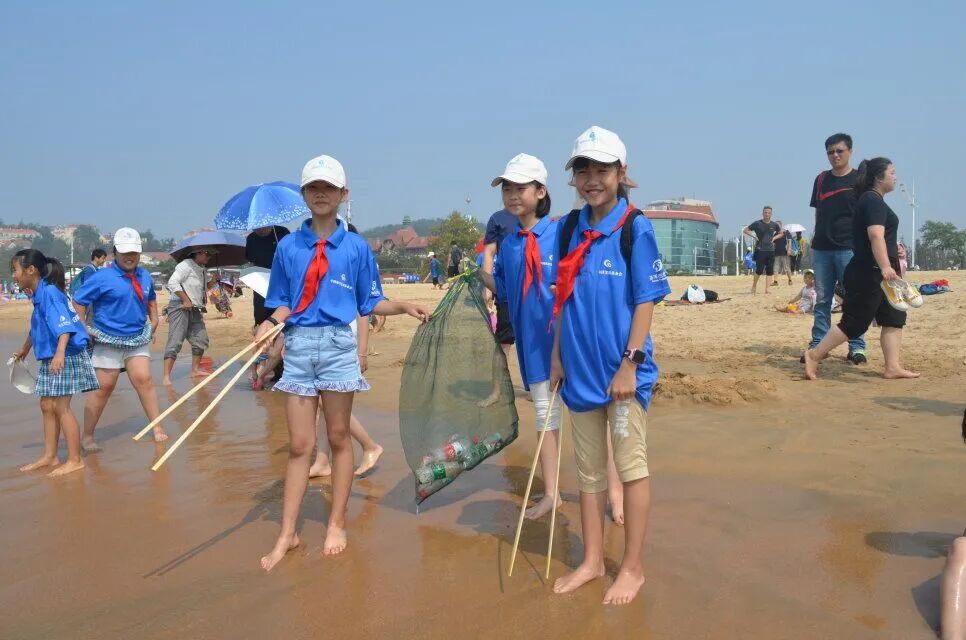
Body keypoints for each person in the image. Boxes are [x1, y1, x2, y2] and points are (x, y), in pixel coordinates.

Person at [254, 154, 428, 571]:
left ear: (342, 195)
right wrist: (268, 324)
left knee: (337, 438)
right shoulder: (288, 247)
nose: (320, 193)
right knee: (299, 446)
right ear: (304, 194)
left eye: (328, 188)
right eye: (313, 187)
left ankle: (336, 523)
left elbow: (369, 301)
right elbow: (280, 301)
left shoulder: (355, 248)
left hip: (337, 346)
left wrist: (403, 304)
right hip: (297, 347)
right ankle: (288, 533)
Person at [550, 126, 671, 606]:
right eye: (584, 170)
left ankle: (633, 568)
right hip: (578, 373)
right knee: (589, 474)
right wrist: (558, 355)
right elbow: (563, 297)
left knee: (631, 466)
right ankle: (593, 560)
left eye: (602, 170)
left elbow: (646, 300)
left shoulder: (635, 227)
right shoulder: (567, 228)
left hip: (624, 376)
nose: (592, 179)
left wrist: (630, 364)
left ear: (622, 174)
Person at [478, 153, 562, 520]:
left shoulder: (562, 233)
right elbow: (508, 289)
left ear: (541, 191)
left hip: (568, 342)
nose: (512, 195)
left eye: (520, 187)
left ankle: (616, 495)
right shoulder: (510, 244)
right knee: (545, 417)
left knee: (596, 416)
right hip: (533, 347)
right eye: (507, 189)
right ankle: (553, 493)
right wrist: (476, 278)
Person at [804, 158, 920, 380]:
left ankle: (892, 367)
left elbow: (880, 237)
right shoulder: (872, 200)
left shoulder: (874, 200)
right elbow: (875, 235)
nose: (895, 177)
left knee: (894, 318)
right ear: (878, 177)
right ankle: (814, 354)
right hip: (870, 272)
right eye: (892, 172)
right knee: (855, 323)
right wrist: (886, 266)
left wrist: (893, 253)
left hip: (884, 271)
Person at [72, 228, 168, 450]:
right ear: (114, 252)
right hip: (107, 339)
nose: (129, 256)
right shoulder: (101, 277)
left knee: (144, 380)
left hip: (137, 337)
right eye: (124, 252)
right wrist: (82, 326)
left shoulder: (144, 275)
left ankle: (157, 427)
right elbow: (79, 301)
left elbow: (151, 299)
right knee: (104, 387)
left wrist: (154, 321)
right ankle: (87, 436)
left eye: (134, 252)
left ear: (139, 253)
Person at [10, 250, 97, 476]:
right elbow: (37, 326)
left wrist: (59, 354)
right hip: (53, 355)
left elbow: (65, 326)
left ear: (31, 270)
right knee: (46, 405)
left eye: (15, 270)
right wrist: (25, 348)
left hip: (66, 354)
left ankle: (75, 459)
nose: (14, 276)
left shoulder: (49, 293)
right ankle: (50, 456)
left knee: (61, 407)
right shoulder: (38, 294)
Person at [808, 133, 867, 365]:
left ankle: (857, 347)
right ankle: (818, 346)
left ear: (850, 151)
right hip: (821, 249)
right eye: (831, 152)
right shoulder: (821, 180)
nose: (835, 155)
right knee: (822, 300)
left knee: (853, 299)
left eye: (839, 151)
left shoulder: (859, 180)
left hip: (849, 249)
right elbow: (818, 212)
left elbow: (866, 214)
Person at [480, 207, 518, 406]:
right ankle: (497, 391)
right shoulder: (498, 219)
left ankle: (536, 387)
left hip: (534, 293)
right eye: (508, 189)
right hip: (506, 291)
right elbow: (489, 252)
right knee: (503, 343)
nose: (513, 194)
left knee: (537, 342)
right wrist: (487, 288)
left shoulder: (541, 217)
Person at [162, 248, 214, 386]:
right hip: (180, 306)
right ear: (198, 253)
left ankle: (195, 370)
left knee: (201, 339)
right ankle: (166, 376)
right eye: (207, 253)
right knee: (175, 340)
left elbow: (201, 289)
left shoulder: (202, 269)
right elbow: (172, 283)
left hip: (196, 308)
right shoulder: (185, 265)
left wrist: (213, 281)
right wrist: (185, 299)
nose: (209, 256)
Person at [743, 206, 782, 294]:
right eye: (765, 212)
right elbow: (745, 230)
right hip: (760, 249)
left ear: (771, 214)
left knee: (769, 270)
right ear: (762, 213)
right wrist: (754, 236)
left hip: (771, 250)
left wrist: (774, 238)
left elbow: (781, 233)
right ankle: (754, 286)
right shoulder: (757, 223)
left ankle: (767, 289)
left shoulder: (774, 225)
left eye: (768, 213)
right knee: (759, 270)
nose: (767, 214)